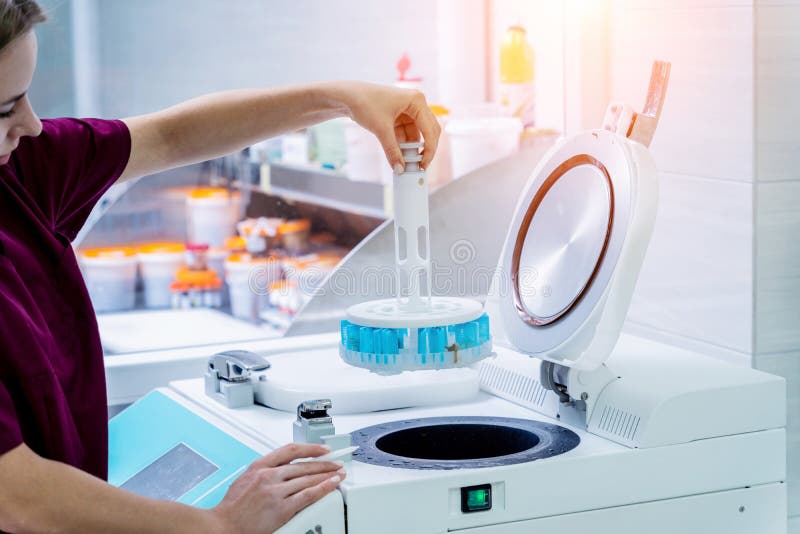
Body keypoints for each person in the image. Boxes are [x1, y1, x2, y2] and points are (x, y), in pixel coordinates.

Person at [0, 1, 441, 532]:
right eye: (4, 109)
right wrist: (219, 526)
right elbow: (17, 496)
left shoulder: (20, 170)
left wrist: (343, 98)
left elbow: (170, 136)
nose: (30, 123)